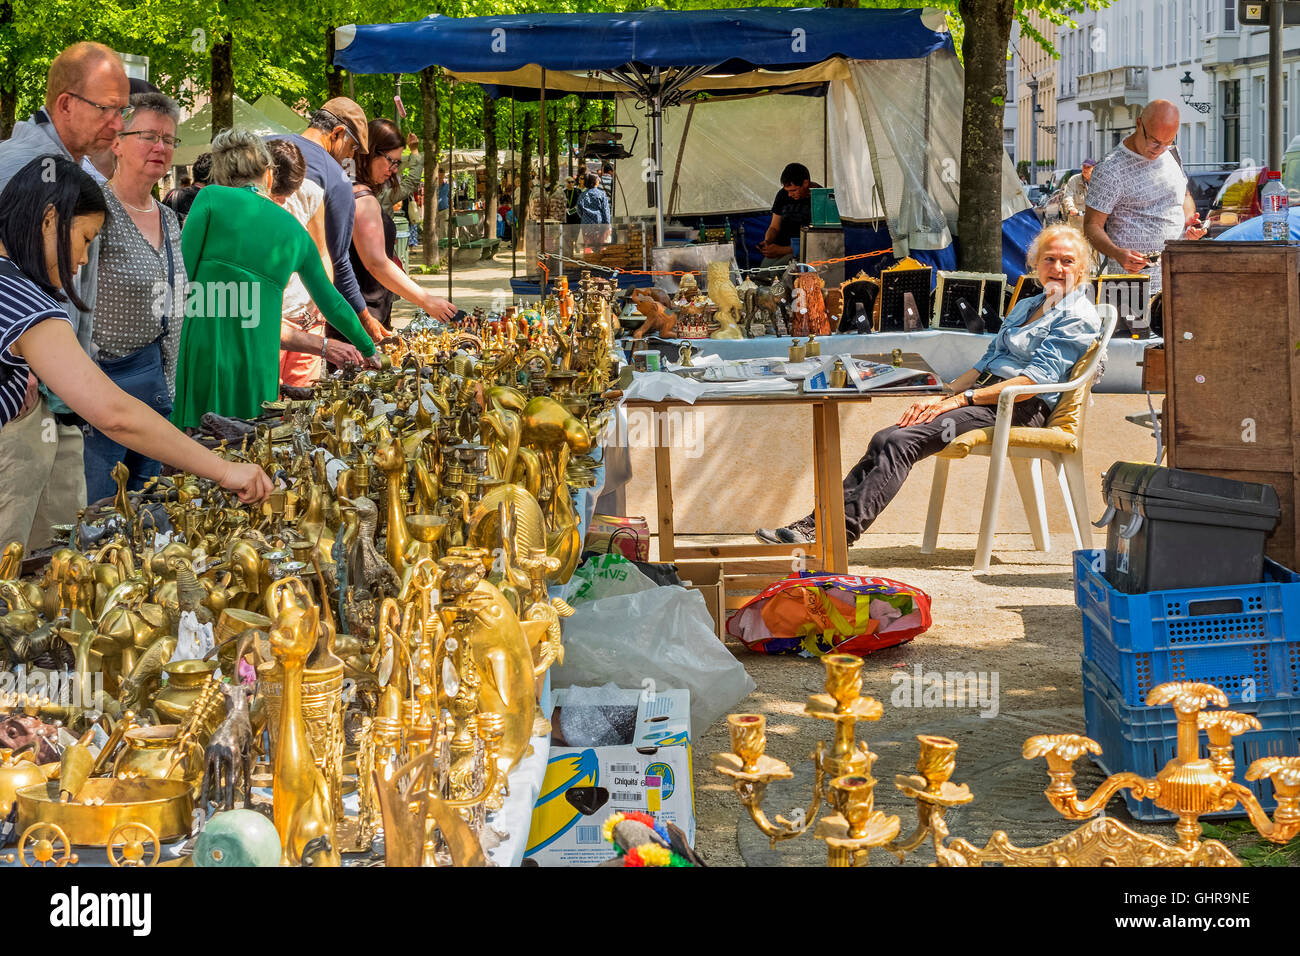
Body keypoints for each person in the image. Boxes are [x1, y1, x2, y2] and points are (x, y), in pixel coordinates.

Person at [756, 223, 1102, 546]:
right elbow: (985, 363)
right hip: (987, 396)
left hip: (1020, 405)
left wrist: (960, 401)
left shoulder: (1077, 315)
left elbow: (1033, 381)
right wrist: (943, 394)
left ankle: (836, 535)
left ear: (1082, 268)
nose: (1057, 268)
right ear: (1036, 264)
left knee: (902, 441)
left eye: (1067, 261)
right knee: (885, 437)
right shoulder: (1030, 303)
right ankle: (815, 525)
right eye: (1049, 259)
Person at [0, 156, 270, 506]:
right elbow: (114, 414)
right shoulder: (29, 306)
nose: (83, 259)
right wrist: (223, 470)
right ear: (50, 219)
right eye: (85, 238)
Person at [0, 41, 129, 551]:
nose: (118, 125)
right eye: (107, 109)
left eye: (123, 111)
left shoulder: (65, 165)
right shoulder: (20, 165)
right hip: (20, 408)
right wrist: (28, 362)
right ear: (65, 104)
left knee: (55, 556)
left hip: (53, 404)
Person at [172, 129, 379, 428]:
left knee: (195, 445)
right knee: (250, 440)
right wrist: (368, 348)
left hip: (203, 344)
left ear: (221, 173)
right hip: (259, 355)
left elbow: (182, 277)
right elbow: (332, 302)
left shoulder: (209, 199)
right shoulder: (293, 230)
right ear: (268, 175)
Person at [83, 91, 188, 504]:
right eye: (148, 135)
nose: (160, 147)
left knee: (146, 517)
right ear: (117, 142)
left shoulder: (169, 218)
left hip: (159, 395)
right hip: (107, 394)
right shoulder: (96, 211)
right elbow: (66, 293)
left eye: (168, 139)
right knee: (102, 515)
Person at [266, 98, 389, 343]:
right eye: (352, 147)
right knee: (302, 384)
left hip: (250, 313)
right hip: (300, 317)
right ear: (338, 133)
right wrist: (364, 318)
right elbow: (337, 262)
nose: (350, 156)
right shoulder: (336, 178)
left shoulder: (261, 146)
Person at [267, 139, 366, 387]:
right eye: (280, 194)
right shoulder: (253, 202)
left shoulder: (311, 193)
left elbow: (322, 253)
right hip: (274, 320)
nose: (284, 200)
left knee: (302, 404)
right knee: (266, 404)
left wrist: (321, 310)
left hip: (309, 319)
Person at [1083, 100, 1207, 296]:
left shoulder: (1171, 154)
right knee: (1133, 329)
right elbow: (1091, 226)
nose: (1159, 149)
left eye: (1167, 142)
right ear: (1139, 123)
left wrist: (1190, 222)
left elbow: (1184, 195)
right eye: (1155, 141)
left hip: (1177, 277)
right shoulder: (1110, 168)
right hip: (1131, 286)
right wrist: (1116, 253)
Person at [350, 118, 457, 329]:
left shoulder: (365, 191)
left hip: (372, 305)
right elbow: (376, 263)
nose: (394, 169)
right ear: (371, 152)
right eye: (392, 161)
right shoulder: (362, 197)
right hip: (364, 310)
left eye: (398, 163)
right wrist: (425, 300)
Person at [758, 162, 820, 267]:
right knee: (763, 271)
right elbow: (774, 227)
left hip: (803, 252)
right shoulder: (783, 195)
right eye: (787, 191)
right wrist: (767, 241)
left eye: (793, 190)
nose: (789, 194)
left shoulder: (819, 198)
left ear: (805, 183)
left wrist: (783, 250)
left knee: (777, 272)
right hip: (780, 248)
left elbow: (818, 239)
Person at [1060, 159, 1094, 227]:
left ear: (1094, 168)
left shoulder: (1099, 181)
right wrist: (1071, 208)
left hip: (1093, 222)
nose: (1085, 169)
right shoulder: (1074, 180)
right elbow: (1068, 196)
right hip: (1077, 222)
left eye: (1088, 167)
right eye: (1084, 166)